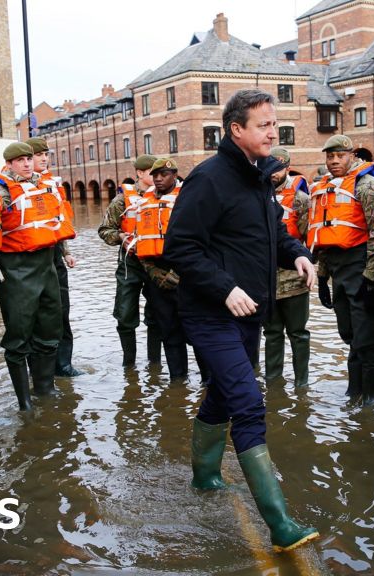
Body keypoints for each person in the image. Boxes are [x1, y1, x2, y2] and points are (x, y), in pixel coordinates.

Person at [165, 89, 319, 552]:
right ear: (236, 130)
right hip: (211, 312)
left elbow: (273, 230)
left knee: (226, 395)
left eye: (275, 123)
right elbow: (180, 248)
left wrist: (298, 256)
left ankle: (205, 476)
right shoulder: (208, 180)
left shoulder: (257, 179)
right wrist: (225, 287)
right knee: (249, 401)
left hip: (249, 311)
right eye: (263, 125)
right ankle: (280, 525)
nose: (273, 131)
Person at [310, 135, 374, 406]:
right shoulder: (329, 188)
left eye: (340, 156)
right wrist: (322, 277)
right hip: (337, 267)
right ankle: (354, 389)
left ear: (352, 155)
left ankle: (372, 394)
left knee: (367, 333)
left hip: (361, 268)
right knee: (350, 332)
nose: (334, 162)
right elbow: (325, 236)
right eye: (329, 157)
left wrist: (372, 276)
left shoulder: (366, 186)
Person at [0, 143, 64, 407]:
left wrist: (63, 252)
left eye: (28, 159)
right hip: (16, 268)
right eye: (19, 160)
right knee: (19, 332)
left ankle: (45, 388)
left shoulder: (44, 186)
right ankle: (24, 401)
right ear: (8, 164)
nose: (26, 164)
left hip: (46, 265)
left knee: (49, 327)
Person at [98, 154, 163, 367]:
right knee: (125, 315)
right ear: (140, 173)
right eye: (152, 173)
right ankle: (129, 365)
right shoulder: (122, 200)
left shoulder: (167, 196)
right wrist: (120, 237)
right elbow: (105, 229)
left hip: (157, 264)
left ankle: (155, 364)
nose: (157, 177)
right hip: (131, 263)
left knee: (156, 316)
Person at [27, 137, 83, 377]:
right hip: (31, 260)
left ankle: (64, 364)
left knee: (62, 310)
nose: (42, 159)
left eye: (44, 154)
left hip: (54, 257)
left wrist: (66, 253)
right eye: (35, 155)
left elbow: (57, 223)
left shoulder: (52, 185)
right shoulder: (15, 186)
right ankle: (39, 368)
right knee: (36, 315)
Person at [136, 157, 189, 381]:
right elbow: (139, 241)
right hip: (156, 276)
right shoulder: (143, 203)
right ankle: (178, 382)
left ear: (175, 175)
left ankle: (208, 381)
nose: (158, 179)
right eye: (155, 175)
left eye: (164, 175)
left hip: (187, 276)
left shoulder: (188, 199)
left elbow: (201, 241)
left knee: (196, 331)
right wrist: (154, 273)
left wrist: (178, 273)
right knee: (169, 332)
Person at [263, 147, 312, 388]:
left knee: (298, 333)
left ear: (287, 168)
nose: (274, 173)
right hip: (266, 280)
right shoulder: (258, 195)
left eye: (279, 168)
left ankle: (301, 384)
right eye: (270, 167)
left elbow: (305, 236)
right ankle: (273, 384)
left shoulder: (301, 199)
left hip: (294, 279)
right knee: (271, 334)